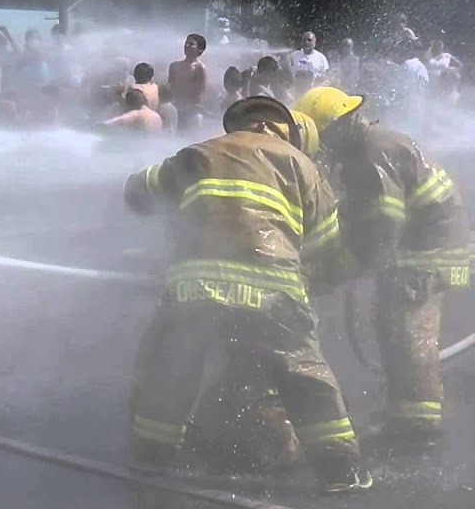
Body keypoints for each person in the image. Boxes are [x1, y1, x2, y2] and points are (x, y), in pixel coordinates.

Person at [123, 96, 371, 494]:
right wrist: (330, 280)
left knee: (173, 365)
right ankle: (341, 470)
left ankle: (151, 458)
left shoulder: (197, 154)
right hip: (273, 286)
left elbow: (138, 190)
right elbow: (325, 247)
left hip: (194, 285)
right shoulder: (301, 165)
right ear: (288, 133)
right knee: (304, 372)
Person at [295, 86, 469, 451]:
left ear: (338, 127)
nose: (323, 148)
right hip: (423, 248)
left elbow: (384, 221)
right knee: (395, 328)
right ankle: (405, 416)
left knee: (408, 332)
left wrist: (355, 264)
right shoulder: (375, 145)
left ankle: (419, 424)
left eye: (323, 138)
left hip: (423, 255)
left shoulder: (371, 154)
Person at [166, 33, 207, 133]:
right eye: (186, 43)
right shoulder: (174, 66)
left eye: (191, 44)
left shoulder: (199, 68)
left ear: (200, 49)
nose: (187, 46)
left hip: (191, 111)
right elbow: (170, 87)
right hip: (175, 108)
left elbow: (201, 91)